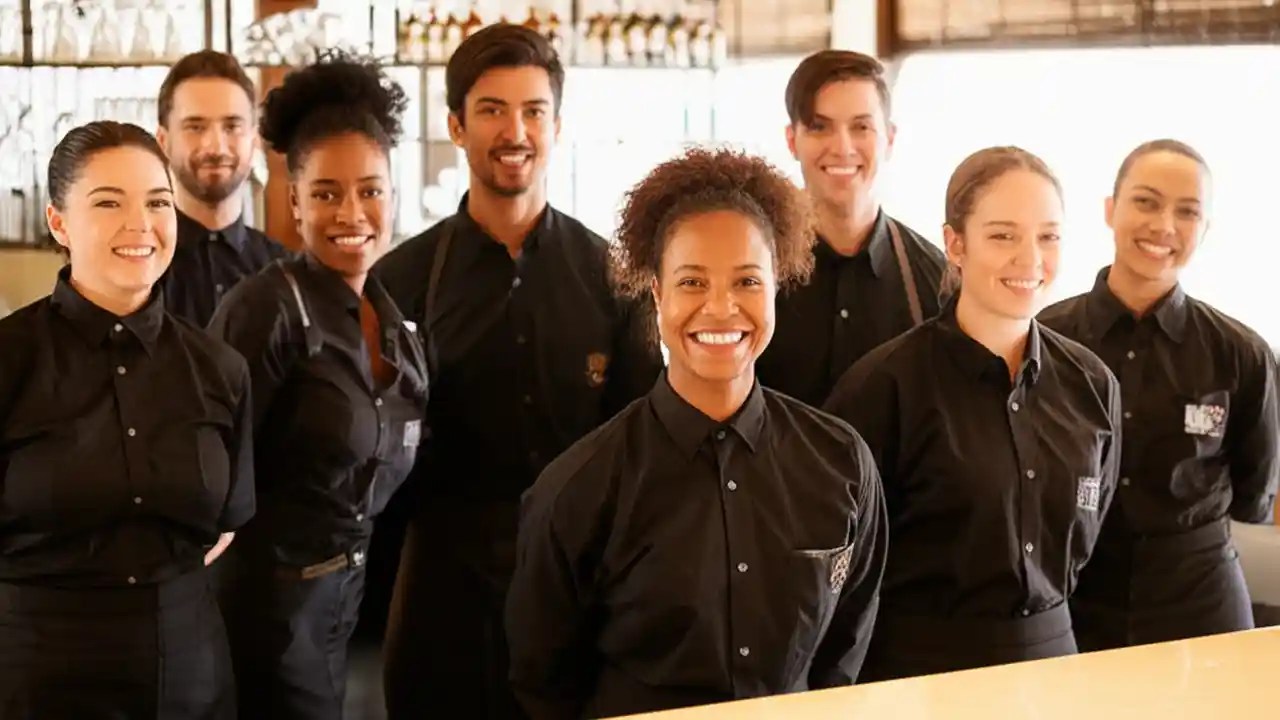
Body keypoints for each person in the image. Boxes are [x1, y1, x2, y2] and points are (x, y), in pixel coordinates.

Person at [505, 147, 887, 719]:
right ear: (656, 294)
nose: (721, 308)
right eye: (691, 282)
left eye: (747, 281)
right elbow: (544, 681)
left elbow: (846, 648)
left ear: (777, 288)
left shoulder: (842, 464)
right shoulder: (578, 489)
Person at [373, 23, 664, 719]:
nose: (515, 132)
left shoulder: (613, 276)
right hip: (443, 591)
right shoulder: (400, 279)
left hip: (581, 585)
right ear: (456, 126)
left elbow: (640, 444)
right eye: (492, 110)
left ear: (556, 126)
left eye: (534, 111)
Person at [824, 146, 1123, 681]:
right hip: (920, 675)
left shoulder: (1093, 385)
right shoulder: (882, 388)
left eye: (1048, 236)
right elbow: (843, 570)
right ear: (955, 244)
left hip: (1055, 667)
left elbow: (1088, 543)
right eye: (1003, 236)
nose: (1030, 259)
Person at [0, 120, 254, 718]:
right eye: (108, 202)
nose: (140, 224)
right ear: (59, 222)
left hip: (188, 670)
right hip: (34, 672)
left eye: (158, 202)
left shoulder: (220, 367)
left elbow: (225, 526)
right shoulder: (9, 359)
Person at [207, 52, 428, 720]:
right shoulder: (266, 310)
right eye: (327, 193)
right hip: (268, 619)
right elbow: (209, 469)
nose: (351, 212)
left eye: (370, 190)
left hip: (357, 609)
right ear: (294, 202)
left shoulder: (395, 321)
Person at [1038, 139, 1279, 650]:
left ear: (1205, 228)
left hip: (1200, 600)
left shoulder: (1241, 353)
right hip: (1073, 597)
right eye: (1146, 202)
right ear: (1110, 209)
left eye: (1187, 211)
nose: (1164, 225)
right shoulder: (1044, 340)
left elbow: (1255, 493)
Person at [756, 50, 947, 407]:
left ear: (889, 139)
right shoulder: (751, 269)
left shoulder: (936, 279)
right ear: (792, 140)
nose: (842, 148)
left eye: (861, 127)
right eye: (819, 126)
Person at [156, 50, 291, 327]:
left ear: (254, 140)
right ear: (163, 141)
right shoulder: (139, 269)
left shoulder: (286, 272)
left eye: (232, 126)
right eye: (195, 127)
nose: (216, 147)